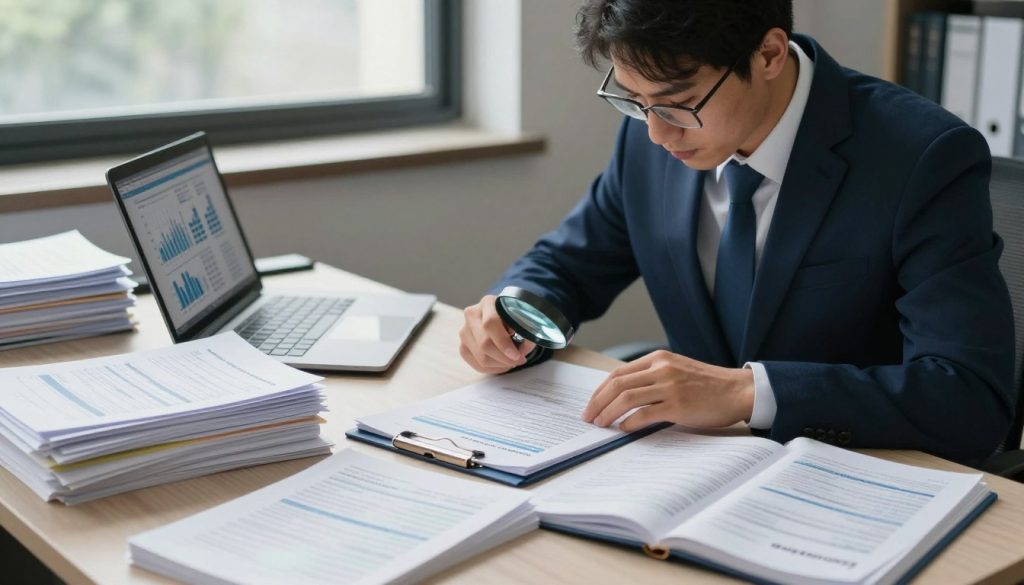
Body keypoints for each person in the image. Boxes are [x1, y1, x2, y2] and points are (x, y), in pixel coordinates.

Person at [458, 0, 1015, 464]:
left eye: (677, 104)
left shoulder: (921, 158)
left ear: (769, 53)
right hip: (690, 466)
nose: (655, 133)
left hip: (853, 472)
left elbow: (967, 397)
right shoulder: (654, 136)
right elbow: (567, 265)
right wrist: (512, 314)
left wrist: (747, 392)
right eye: (633, 101)